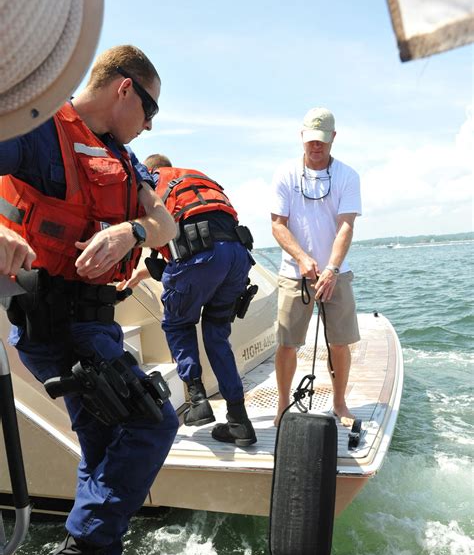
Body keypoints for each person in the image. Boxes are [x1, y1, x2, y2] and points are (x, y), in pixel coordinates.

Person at [0, 45, 179, 555]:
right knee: (152, 421)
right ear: (123, 89)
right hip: (57, 321)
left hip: (95, 321)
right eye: (149, 108)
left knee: (104, 446)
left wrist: (131, 230)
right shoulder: (41, 129)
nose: (151, 124)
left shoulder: (126, 161)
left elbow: (166, 224)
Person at [123, 154, 257, 447]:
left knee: (176, 324)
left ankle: (198, 401)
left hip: (200, 260)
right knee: (216, 335)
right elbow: (198, 241)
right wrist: (138, 277)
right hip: (237, 258)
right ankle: (239, 421)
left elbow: (182, 247)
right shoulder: (197, 178)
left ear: (151, 169)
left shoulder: (152, 183)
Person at [270, 107, 361, 427]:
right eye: (311, 140)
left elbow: (346, 226)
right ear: (302, 138)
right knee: (287, 343)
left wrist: (331, 268)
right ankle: (283, 405)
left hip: (336, 273)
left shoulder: (348, 176)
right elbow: (278, 225)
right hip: (294, 274)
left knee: (339, 342)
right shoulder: (285, 174)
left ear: (333, 138)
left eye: (322, 140)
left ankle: (339, 403)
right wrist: (302, 258)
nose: (316, 146)